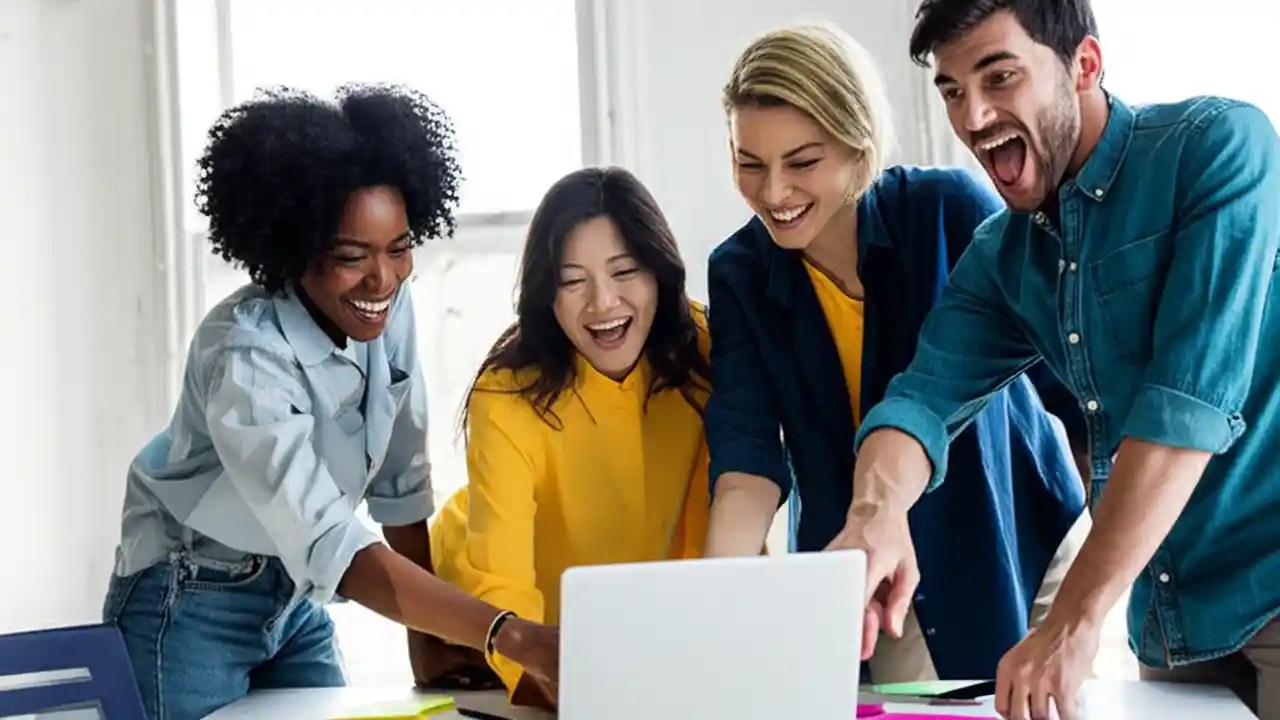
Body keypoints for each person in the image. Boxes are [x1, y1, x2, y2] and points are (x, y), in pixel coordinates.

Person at [838, 1, 1280, 718]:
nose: (973, 117)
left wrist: (1071, 622)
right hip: (1173, 632)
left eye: (999, 76)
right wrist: (875, 512)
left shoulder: (1219, 149)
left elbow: (1186, 405)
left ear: (1085, 65)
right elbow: (920, 400)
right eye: (951, 90)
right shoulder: (1001, 257)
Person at [102, 84, 558, 720]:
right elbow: (329, 541)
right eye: (352, 256)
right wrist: (510, 633)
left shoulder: (387, 311)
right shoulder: (246, 356)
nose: (383, 279)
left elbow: (400, 479)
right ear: (293, 250)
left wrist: (424, 644)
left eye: (399, 248)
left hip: (293, 597)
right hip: (190, 596)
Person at [702, 22, 1089, 685]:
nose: (773, 193)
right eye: (749, 163)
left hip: (1016, 539)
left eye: (802, 162)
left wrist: (1109, 538)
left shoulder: (949, 212)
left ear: (858, 146)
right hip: (867, 571)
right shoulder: (739, 272)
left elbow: (1071, 382)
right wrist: (710, 602)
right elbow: (747, 458)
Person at [422, 166, 713, 710]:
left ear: (660, 273)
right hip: (503, 620)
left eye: (625, 271)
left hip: (652, 633)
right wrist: (550, 678)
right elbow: (500, 583)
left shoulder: (706, 350)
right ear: (546, 294)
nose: (602, 303)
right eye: (572, 280)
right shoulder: (507, 392)